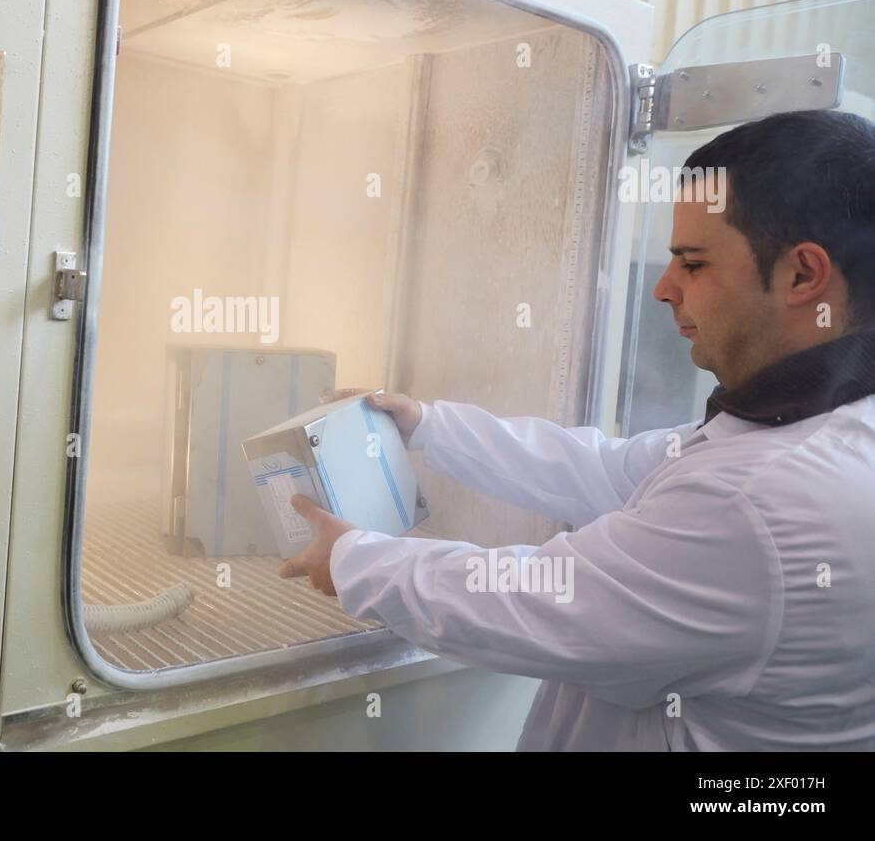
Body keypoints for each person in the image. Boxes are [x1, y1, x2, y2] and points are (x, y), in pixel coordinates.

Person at [279, 109, 875, 750]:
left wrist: (352, 558)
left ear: (802, 276)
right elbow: (611, 470)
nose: (664, 288)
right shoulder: (816, 425)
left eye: (693, 263)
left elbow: (533, 600)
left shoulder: (763, 498)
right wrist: (428, 425)